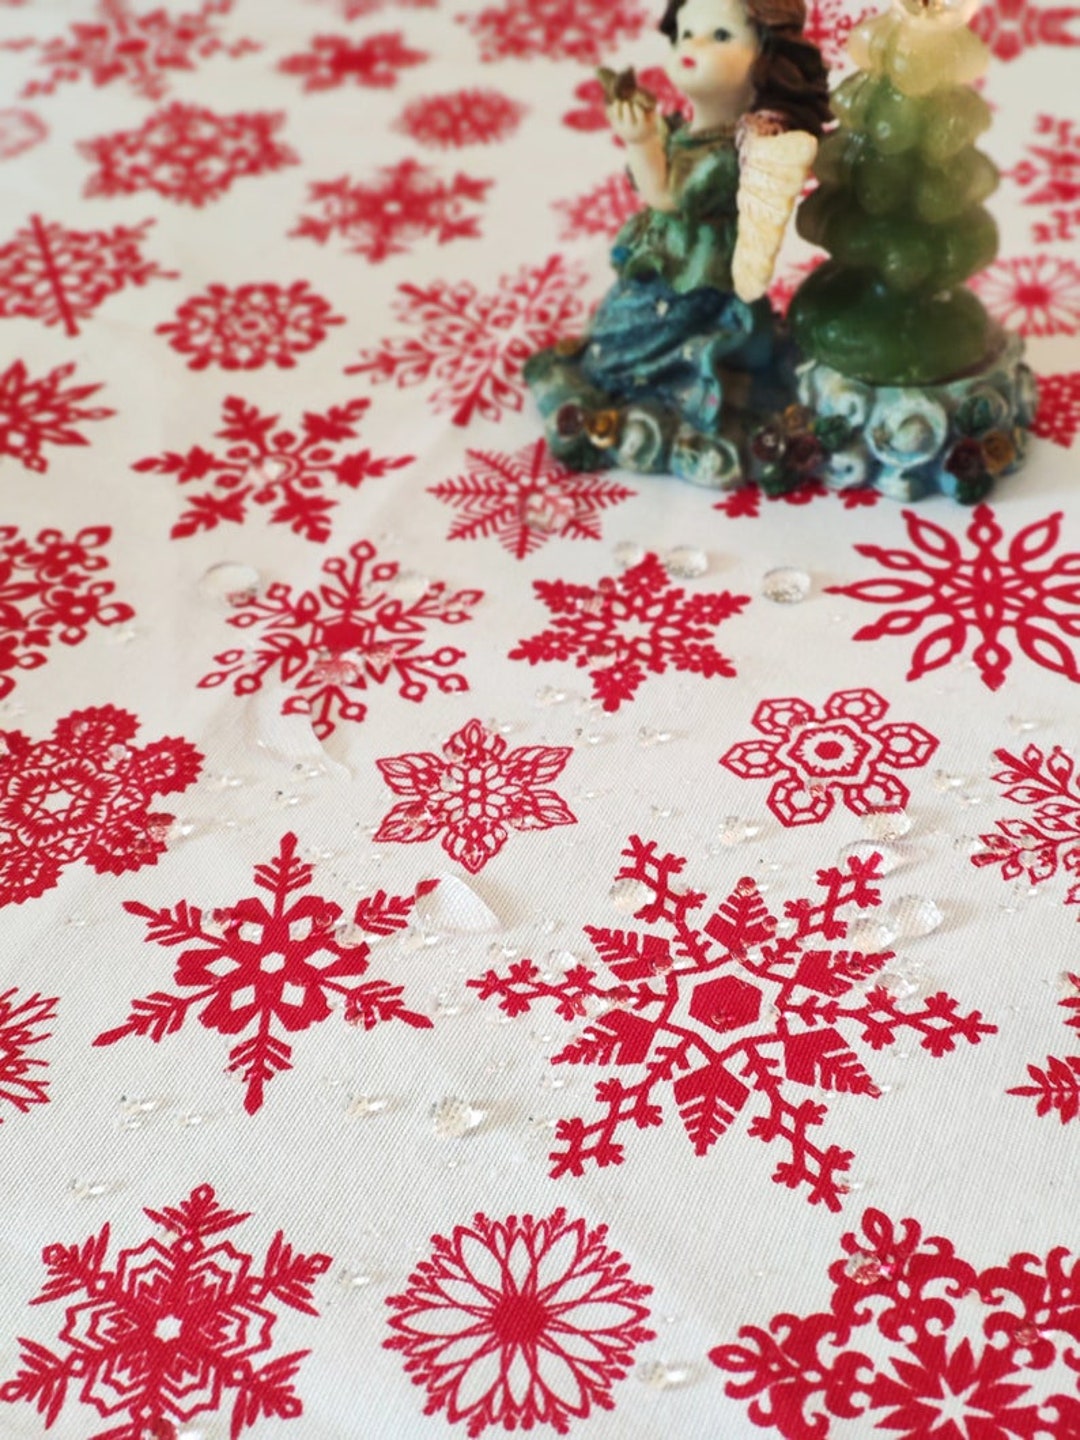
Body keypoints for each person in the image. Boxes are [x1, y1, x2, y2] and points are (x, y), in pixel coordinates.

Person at [525, 0, 830, 485]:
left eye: (720, 36)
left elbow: (666, 196)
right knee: (608, 338)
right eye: (686, 33)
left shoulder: (733, 152)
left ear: (767, 58)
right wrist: (652, 136)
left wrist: (640, 140)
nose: (693, 46)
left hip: (693, 281)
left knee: (613, 349)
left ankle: (679, 386)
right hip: (663, 268)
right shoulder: (688, 131)